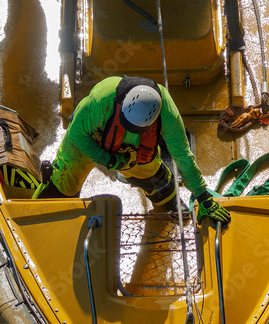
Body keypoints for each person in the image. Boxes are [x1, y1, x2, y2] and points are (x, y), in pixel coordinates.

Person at [34, 75, 230, 226]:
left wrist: (203, 197)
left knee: (155, 177)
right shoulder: (100, 100)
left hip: (135, 149)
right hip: (88, 140)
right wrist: (108, 159)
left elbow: (183, 156)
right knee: (63, 182)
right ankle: (44, 210)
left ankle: (168, 202)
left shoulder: (168, 113)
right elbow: (76, 134)